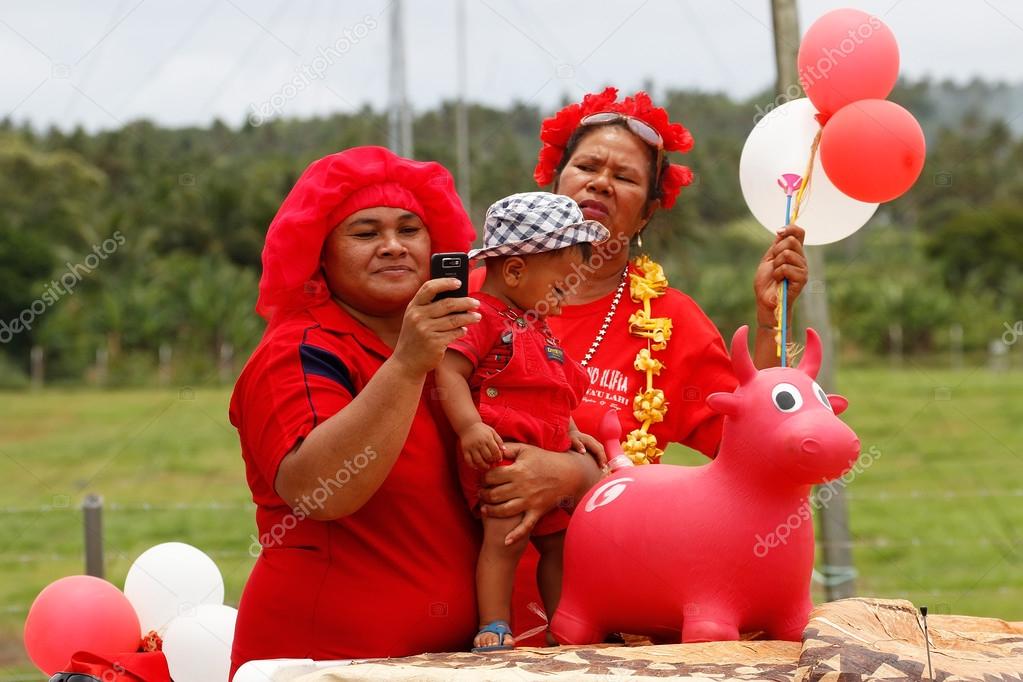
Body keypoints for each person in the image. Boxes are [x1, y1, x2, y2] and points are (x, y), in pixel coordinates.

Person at [228, 147, 599, 675]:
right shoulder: (300, 349)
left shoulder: (467, 337)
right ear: (320, 253)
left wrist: (570, 470)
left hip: (453, 661)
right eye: (364, 233)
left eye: (410, 229)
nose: (392, 247)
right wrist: (406, 364)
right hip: (327, 661)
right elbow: (318, 492)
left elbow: (552, 439)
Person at [472, 88, 810, 640]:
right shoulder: (476, 293)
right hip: (467, 613)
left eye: (625, 178)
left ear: (649, 211)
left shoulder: (671, 321)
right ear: (554, 182)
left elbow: (751, 451)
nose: (601, 182)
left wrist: (769, 323)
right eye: (586, 166)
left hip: (609, 623)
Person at [434, 192, 608, 651]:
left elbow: (553, 392)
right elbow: (449, 371)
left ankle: (565, 625)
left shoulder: (536, 325)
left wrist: (570, 430)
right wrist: (470, 427)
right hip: (502, 454)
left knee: (560, 544)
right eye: (559, 286)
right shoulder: (480, 316)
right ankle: (493, 623)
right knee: (505, 537)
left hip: (548, 454)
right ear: (514, 271)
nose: (566, 296)